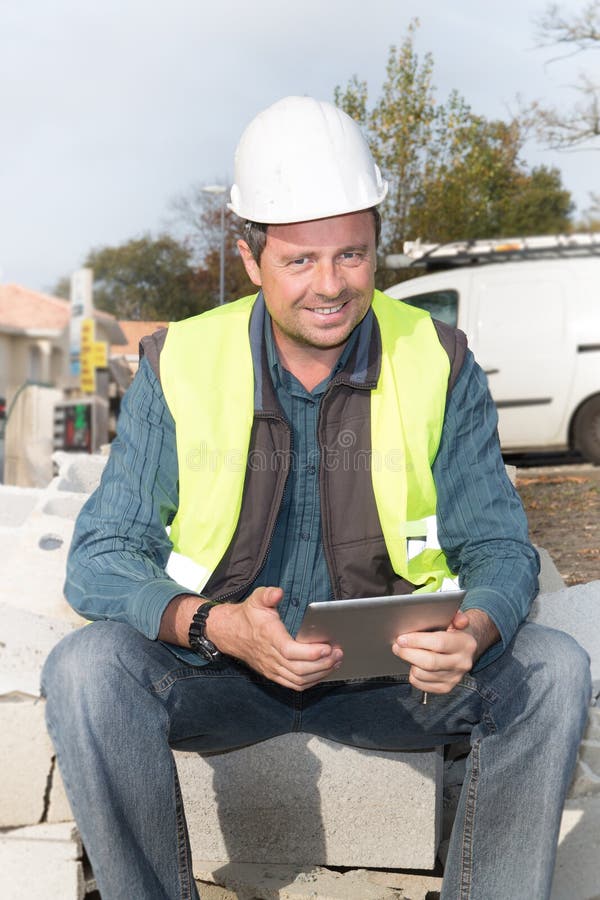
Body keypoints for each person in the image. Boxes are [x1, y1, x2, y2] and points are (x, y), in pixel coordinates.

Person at [42, 96, 591, 900]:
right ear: (252, 255)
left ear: (377, 248)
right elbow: (101, 556)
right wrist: (215, 625)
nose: (330, 286)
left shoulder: (438, 358)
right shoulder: (180, 362)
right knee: (86, 671)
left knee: (554, 668)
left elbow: (500, 547)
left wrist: (473, 630)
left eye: (353, 256)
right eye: (300, 260)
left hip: (396, 683)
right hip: (219, 673)